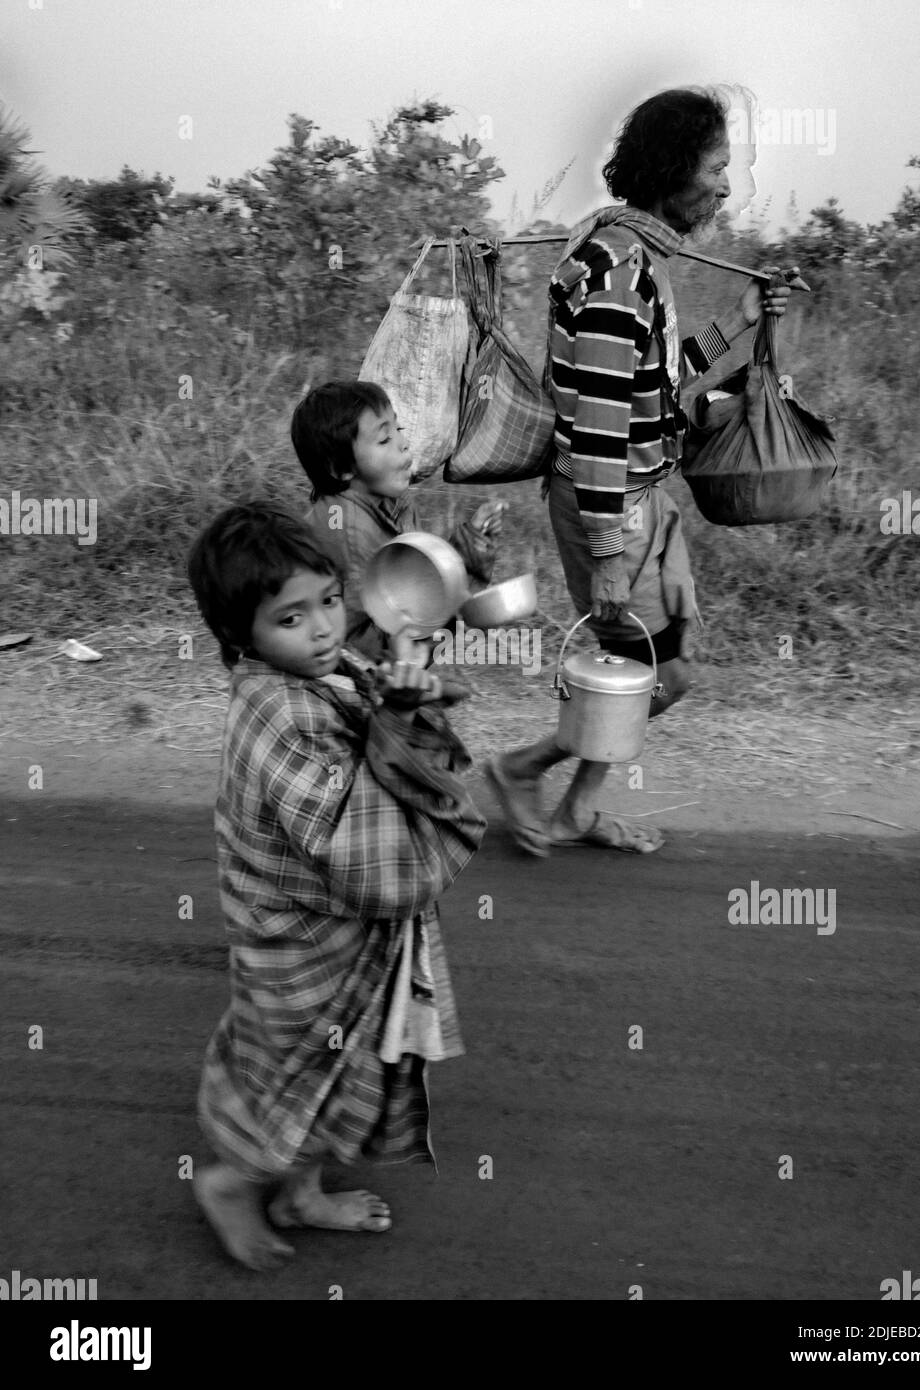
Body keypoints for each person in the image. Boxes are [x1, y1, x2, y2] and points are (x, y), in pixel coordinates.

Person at [486, 86, 797, 855]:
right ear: (673, 165)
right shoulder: (617, 268)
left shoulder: (631, 256)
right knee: (661, 673)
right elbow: (595, 420)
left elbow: (645, 386)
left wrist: (741, 326)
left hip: (640, 496)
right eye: (717, 167)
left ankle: (572, 807)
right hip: (613, 502)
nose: (727, 186)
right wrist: (604, 553)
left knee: (655, 665)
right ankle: (524, 771)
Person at [186, 501, 485, 1270]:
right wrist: (399, 723)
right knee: (298, 1068)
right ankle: (232, 1179)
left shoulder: (323, 670)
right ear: (238, 637)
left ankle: (300, 1192)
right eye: (292, 617)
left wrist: (402, 699)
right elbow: (359, 844)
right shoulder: (280, 714)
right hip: (300, 939)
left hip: (336, 934)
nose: (322, 629)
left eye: (328, 600)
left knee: (338, 1061)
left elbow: (372, 727)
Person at [293, 380, 506, 663]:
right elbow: (359, 641)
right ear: (342, 468)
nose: (404, 444)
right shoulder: (346, 530)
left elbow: (417, 579)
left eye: (399, 430)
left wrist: (471, 544)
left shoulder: (392, 503)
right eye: (384, 439)